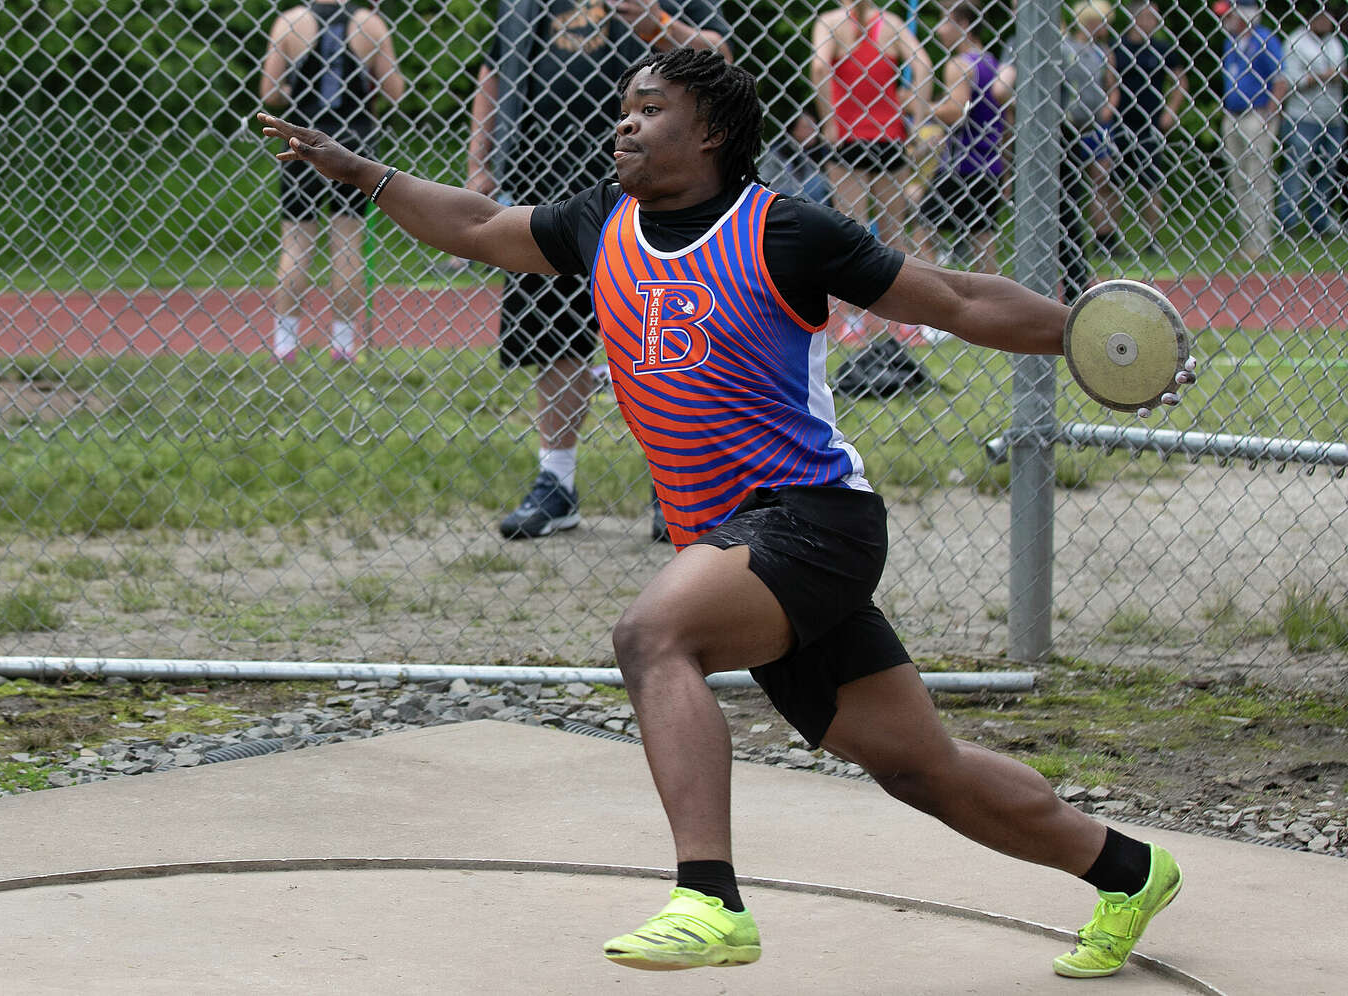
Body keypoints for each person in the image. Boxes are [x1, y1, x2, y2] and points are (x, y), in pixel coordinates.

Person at [258, 47, 1191, 978]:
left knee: (652, 635)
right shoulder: (601, 222)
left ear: (707, 131)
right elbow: (475, 224)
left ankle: (709, 899)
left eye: (650, 108)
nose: (625, 122)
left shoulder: (784, 230)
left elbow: (954, 298)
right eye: (625, 108)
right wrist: (365, 173)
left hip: (811, 517)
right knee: (921, 768)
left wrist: (1097, 341)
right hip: (731, 541)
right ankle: (1130, 871)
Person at [468, 0, 730, 542]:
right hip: (544, 176)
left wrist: (659, 25)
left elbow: (721, 56)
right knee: (552, 333)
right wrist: (479, 163)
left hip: (652, 178)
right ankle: (556, 481)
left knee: (663, 334)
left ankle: (676, 485)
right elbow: (495, 71)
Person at [258, 0, 405, 363]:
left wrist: (298, 89)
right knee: (347, 241)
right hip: (353, 143)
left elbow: (270, 92)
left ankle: (285, 344)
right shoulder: (370, 23)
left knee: (296, 242)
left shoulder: (289, 21)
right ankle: (343, 344)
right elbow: (394, 91)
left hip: (301, 140)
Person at [811, 1, 932, 342]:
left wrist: (829, 121)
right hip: (888, 136)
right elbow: (923, 64)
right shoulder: (891, 22)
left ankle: (853, 319)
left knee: (852, 231)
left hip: (847, 136)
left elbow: (819, 66)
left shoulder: (829, 22)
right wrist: (920, 118)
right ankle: (907, 319)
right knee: (895, 233)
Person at [912, 0, 1014, 278]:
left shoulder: (958, 64)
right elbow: (1004, 119)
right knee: (983, 241)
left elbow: (956, 111)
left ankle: (938, 293)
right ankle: (992, 300)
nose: (939, 30)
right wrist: (1005, 168)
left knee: (921, 232)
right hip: (990, 164)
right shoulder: (992, 63)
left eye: (945, 21)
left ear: (964, 24)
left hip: (961, 165)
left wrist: (920, 105)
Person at [1111, 0, 1189, 251]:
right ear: (1134, 18)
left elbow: (1181, 81)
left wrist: (1170, 111)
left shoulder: (1162, 48)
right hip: (1120, 122)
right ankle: (1110, 240)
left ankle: (1152, 239)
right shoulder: (1118, 47)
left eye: (1154, 18)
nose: (1151, 23)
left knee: (1152, 183)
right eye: (1146, 17)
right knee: (1113, 183)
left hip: (1150, 124)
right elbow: (1107, 80)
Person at [1214, 0, 1287, 263]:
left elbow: (1280, 80)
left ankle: (1261, 242)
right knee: (1238, 179)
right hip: (1232, 115)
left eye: (1230, 14)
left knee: (1258, 178)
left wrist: (1270, 114)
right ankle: (1247, 242)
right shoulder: (1231, 42)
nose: (1226, 19)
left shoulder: (1264, 39)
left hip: (1257, 114)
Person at [1278, 5, 1346, 237]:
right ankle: (1288, 221)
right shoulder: (1295, 41)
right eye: (1322, 17)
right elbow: (1290, 80)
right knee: (1297, 168)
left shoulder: (1334, 42)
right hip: (1303, 117)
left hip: (1332, 117)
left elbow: (1341, 72)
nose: (1327, 22)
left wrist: (1336, 75)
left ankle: (1320, 220)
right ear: (1311, 17)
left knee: (1327, 170)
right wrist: (1322, 76)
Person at [1065, 1, 1122, 260]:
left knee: (1102, 176)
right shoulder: (1068, 48)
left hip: (1097, 123)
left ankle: (1104, 236)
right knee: (1073, 181)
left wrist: (1108, 109)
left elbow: (1113, 86)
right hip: (1072, 122)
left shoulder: (1103, 52)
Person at [758, 112, 834, 206]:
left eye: (815, 127)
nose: (813, 132)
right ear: (794, 130)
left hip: (808, 202)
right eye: (807, 127)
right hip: (782, 198)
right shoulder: (780, 153)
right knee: (817, 181)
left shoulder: (817, 151)